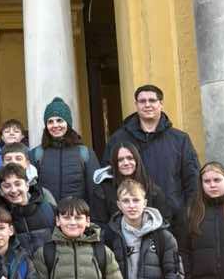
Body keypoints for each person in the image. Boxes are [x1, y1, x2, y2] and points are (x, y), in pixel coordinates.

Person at [106, 84, 202, 218]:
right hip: (130, 219)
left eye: (152, 100)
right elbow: (108, 177)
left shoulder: (180, 139)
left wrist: (189, 212)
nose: (147, 105)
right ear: (136, 104)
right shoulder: (118, 139)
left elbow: (192, 179)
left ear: (161, 104)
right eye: (142, 101)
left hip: (173, 218)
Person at [29, 98, 98, 204]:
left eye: (60, 120)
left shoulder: (85, 153)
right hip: (47, 217)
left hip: (75, 217)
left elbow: (95, 191)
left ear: (68, 123)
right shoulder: (36, 154)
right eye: (50, 122)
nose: (55, 125)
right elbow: (31, 191)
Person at [91, 141, 172, 229]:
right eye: (120, 160)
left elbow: (164, 221)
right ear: (114, 163)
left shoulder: (153, 190)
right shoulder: (102, 191)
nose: (126, 163)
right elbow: (99, 224)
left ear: (137, 160)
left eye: (130, 158)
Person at [0, 162, 56, 250]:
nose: (13, 190)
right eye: (7, 186)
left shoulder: (49, 210)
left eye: (18, 184)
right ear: (1, 190)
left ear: (27, 185)